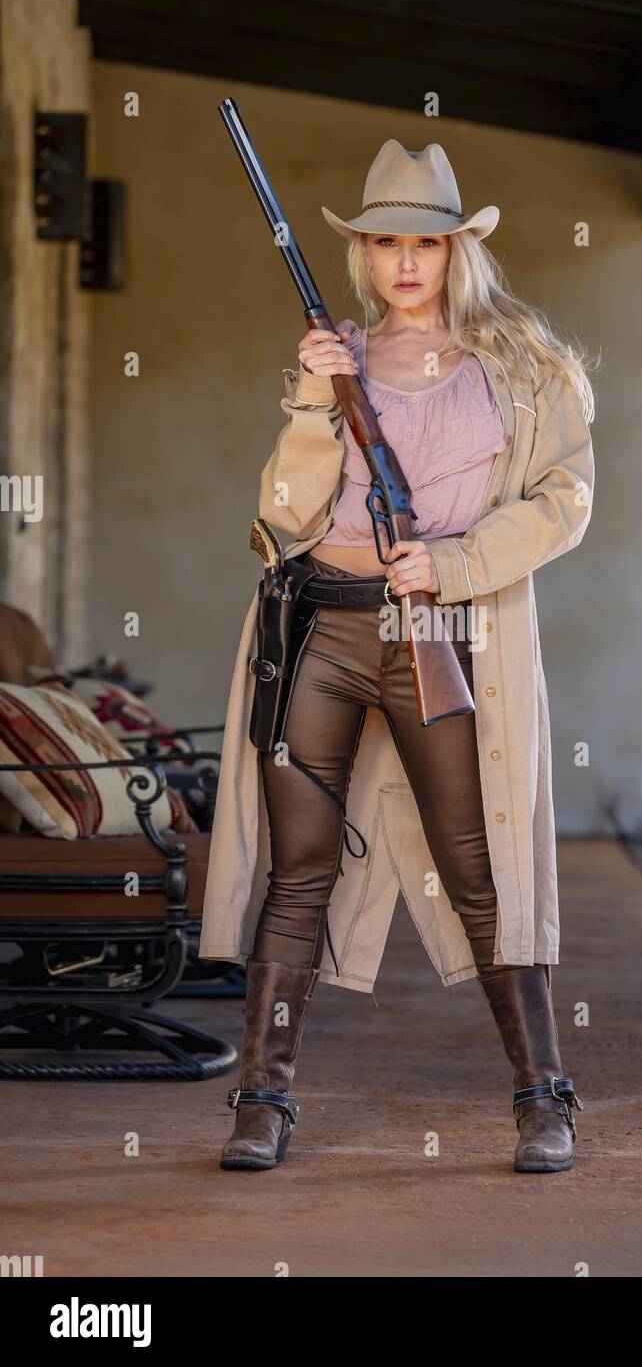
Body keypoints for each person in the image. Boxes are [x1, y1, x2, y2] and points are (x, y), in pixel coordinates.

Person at [201, 137, 595, 1174]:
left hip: (439, 633)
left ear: (457, 249)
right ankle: (261, 1101)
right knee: (299, 870)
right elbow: (281, 518)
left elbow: (565, 500)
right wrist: (310, 399)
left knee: (479, 868)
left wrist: (456, 561)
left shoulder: (523, 368)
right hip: (320, 630)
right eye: (384, 243)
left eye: (425, 242)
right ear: (364, 254)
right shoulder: (333, 358)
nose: (405, 262)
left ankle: (543, 1098)